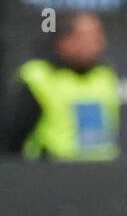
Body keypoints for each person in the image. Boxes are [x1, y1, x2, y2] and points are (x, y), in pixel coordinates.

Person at [2, 12, 119, 160]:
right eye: (88, 37)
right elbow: (13, 140)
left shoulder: (104, 75)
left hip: (103, 175)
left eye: (98, 36)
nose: (99, 43)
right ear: (64, 41)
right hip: (51, 175)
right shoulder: (38, 77)